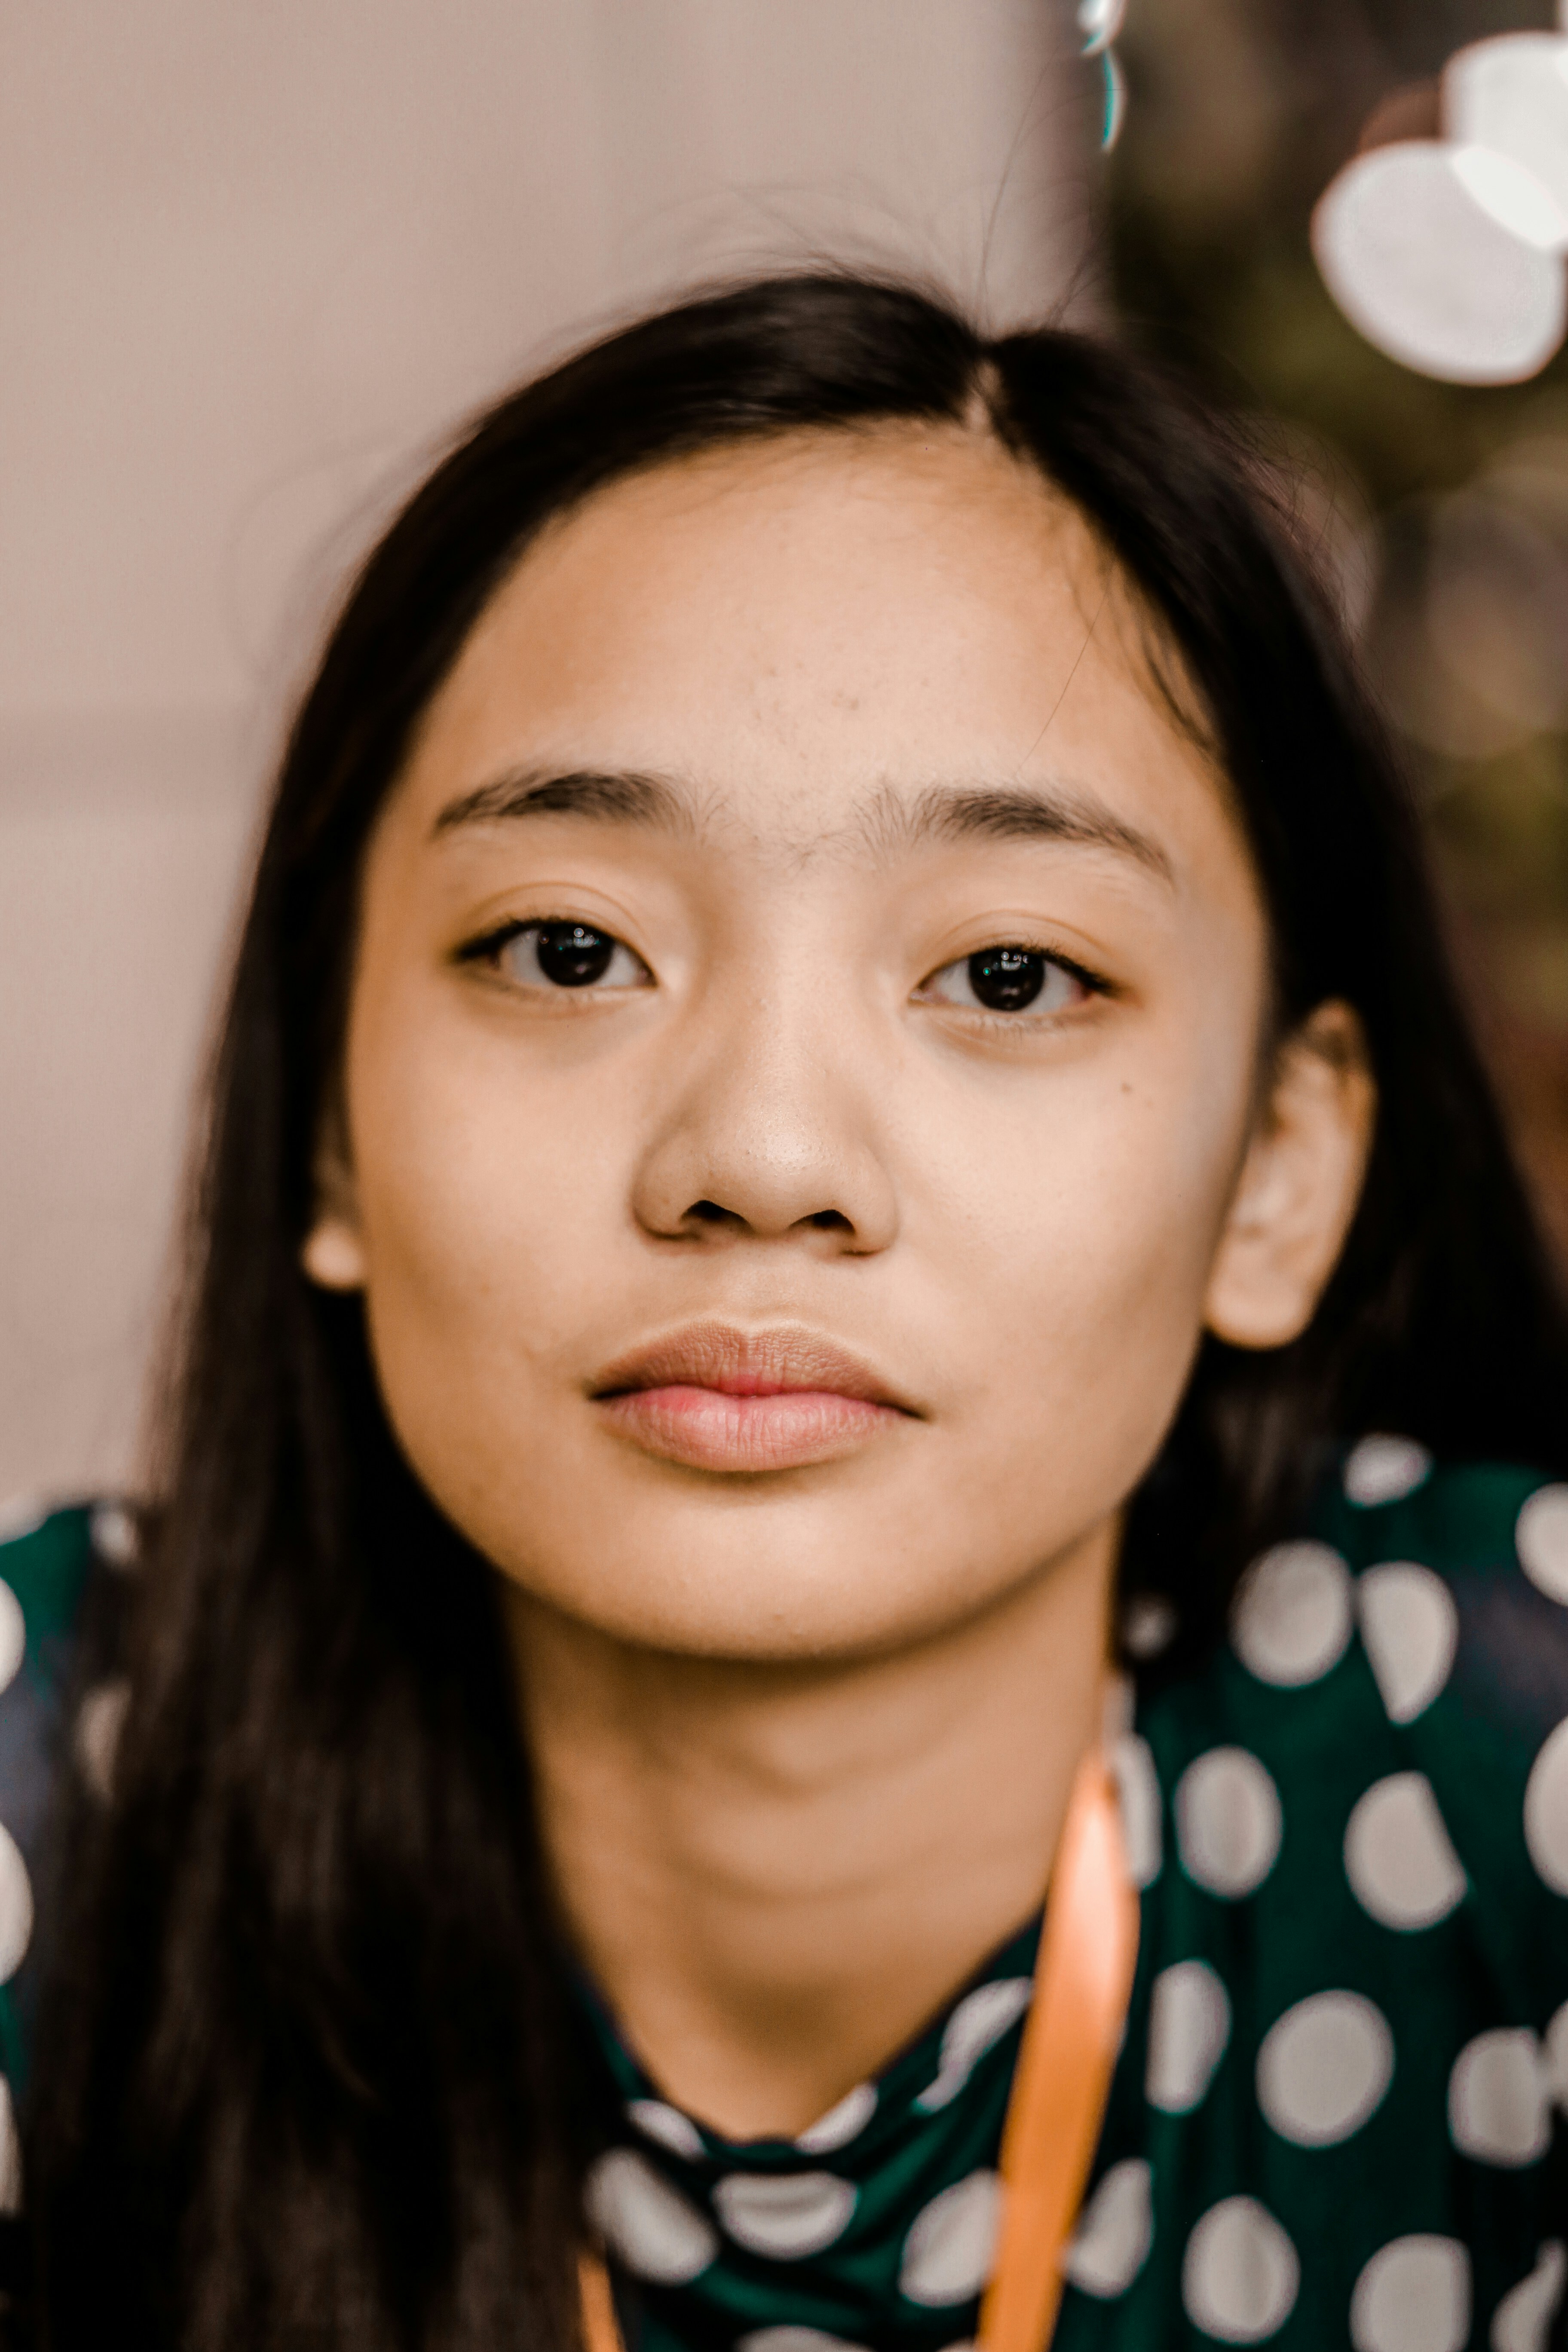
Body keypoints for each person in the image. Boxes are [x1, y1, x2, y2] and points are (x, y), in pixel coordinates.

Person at [0, 272, 1565, 2352]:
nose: (757, 1154)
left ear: (1277, 1173)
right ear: (335, 1138)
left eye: (1009, 975)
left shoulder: (1508, 1766)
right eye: (568, 949)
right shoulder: (56, 1797)